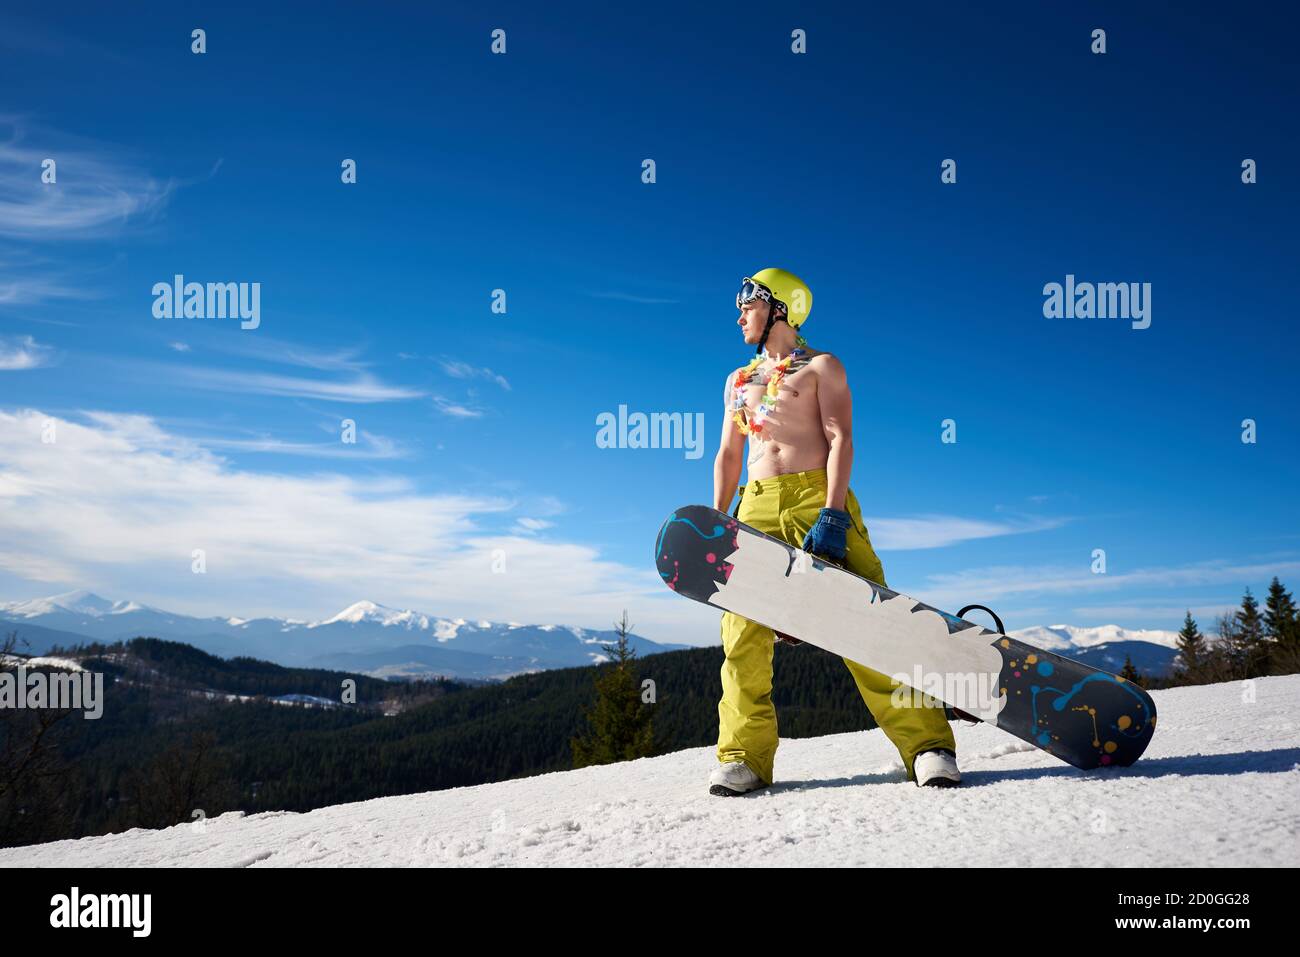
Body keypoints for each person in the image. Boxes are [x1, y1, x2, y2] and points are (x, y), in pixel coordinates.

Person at [709, 267, 961, 795]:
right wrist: (716, 520)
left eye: (748, 302)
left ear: (780, 308)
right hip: (753, 506)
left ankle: (927, 747)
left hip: (814, 496)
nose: (740, 314)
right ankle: (744, 758)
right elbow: (730, 454)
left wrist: (832, 512)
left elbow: (840, 437)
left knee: (870, 619)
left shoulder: (822, 367)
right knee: (743, 638)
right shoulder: (738, 381)